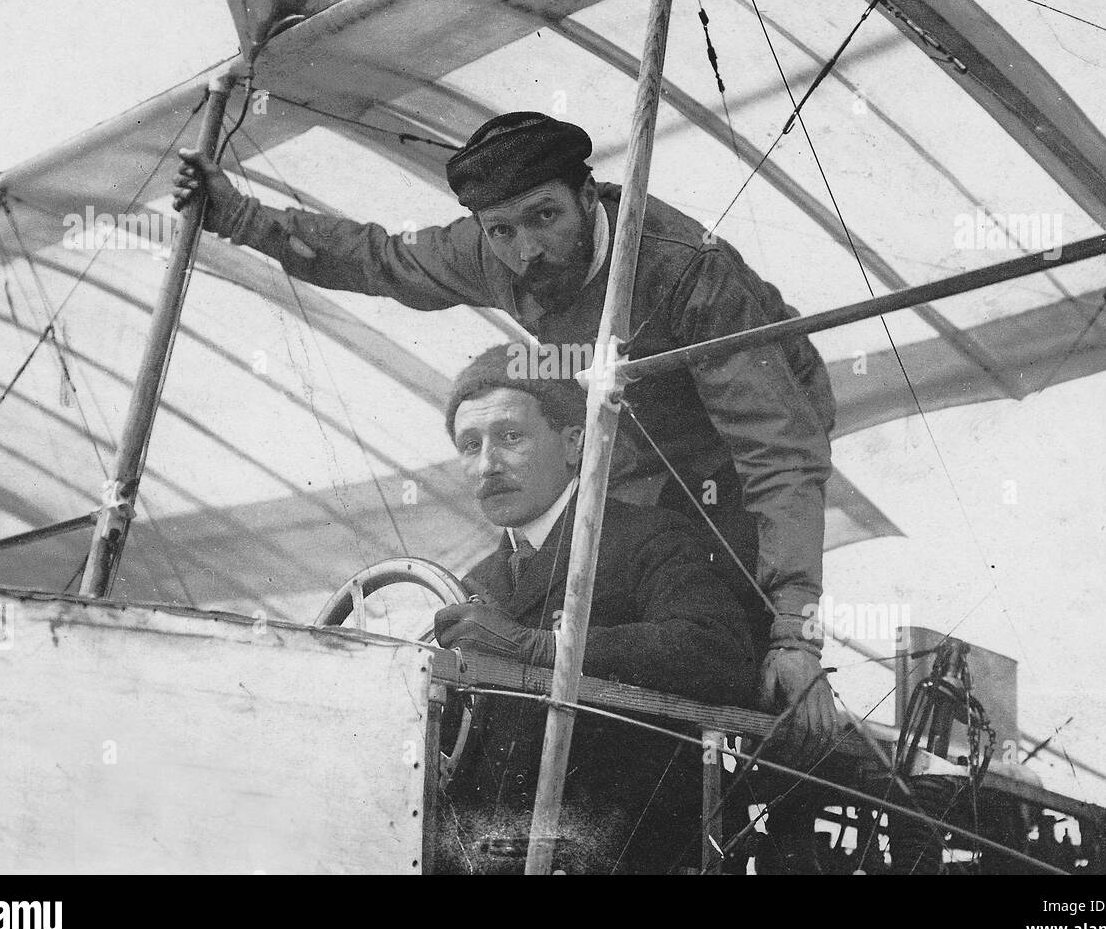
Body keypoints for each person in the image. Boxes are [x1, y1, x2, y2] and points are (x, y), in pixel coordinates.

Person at [173, 110, 838, 760]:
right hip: (637, 425)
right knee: (607, 577)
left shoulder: (686, 271)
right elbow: (381, 260)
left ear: (586, 196)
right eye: (503, 231)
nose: (527, 251)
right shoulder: (493, 253)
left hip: (750, 423)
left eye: (545, 217)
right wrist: (239, 217)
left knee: (737, 635)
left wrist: (797, 636)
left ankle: (803, 774)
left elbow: (779, 454)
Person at [430, 343, 755, 874]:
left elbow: (718, 652)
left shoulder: (648, 537)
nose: (487, 465)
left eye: (510, 437)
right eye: (470, 445)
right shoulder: (473, 586)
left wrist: (548, 649)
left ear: (575, 442)